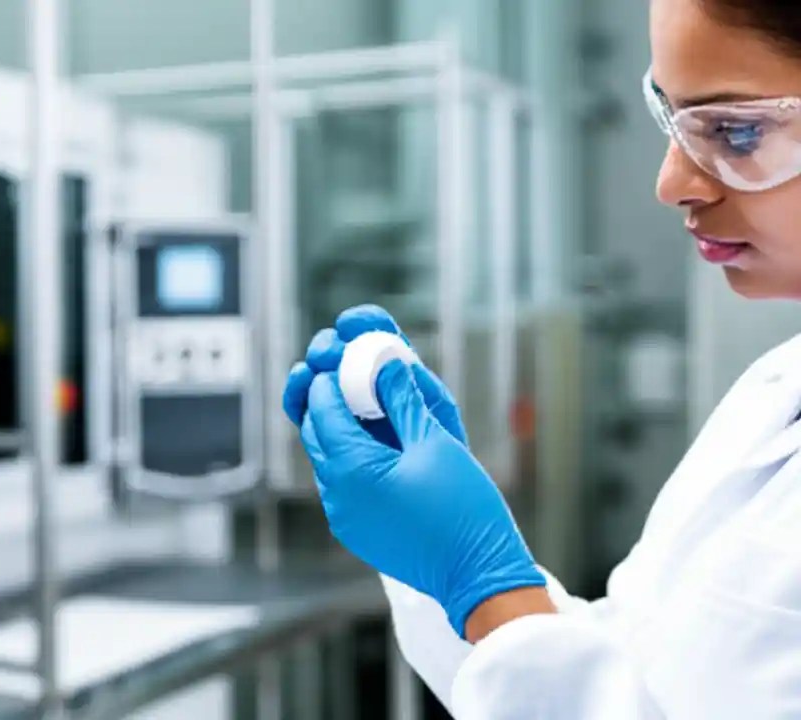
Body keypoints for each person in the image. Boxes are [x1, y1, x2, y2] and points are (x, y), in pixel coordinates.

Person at [283, 0, 801, 717]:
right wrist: (441, 563)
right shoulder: (773, 393)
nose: (671, 183)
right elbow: (631, 667)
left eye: (737, 132)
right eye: (670, 120)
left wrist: (482, 581)